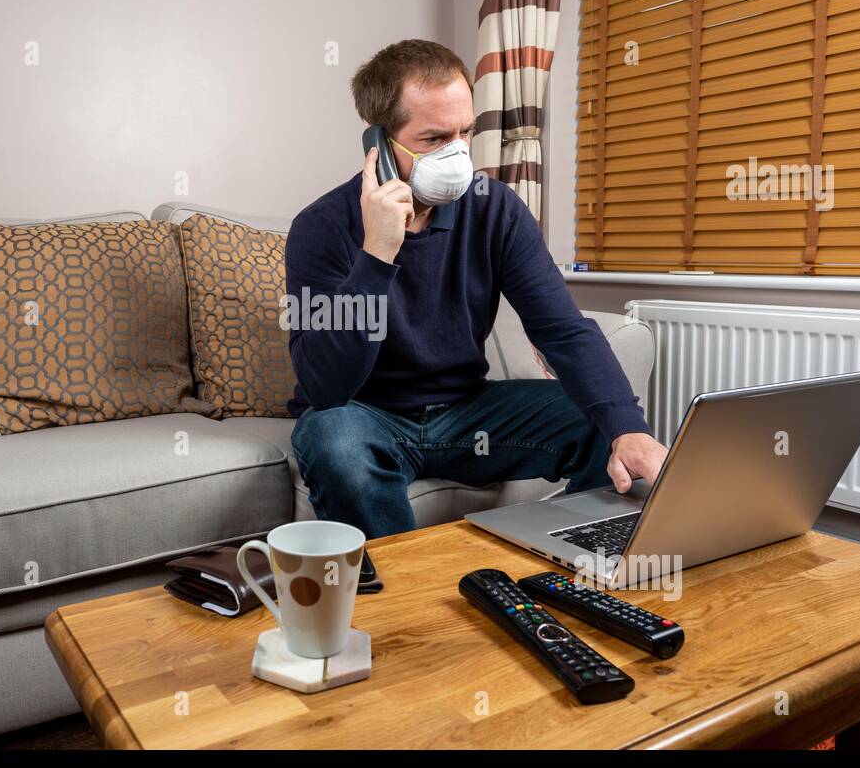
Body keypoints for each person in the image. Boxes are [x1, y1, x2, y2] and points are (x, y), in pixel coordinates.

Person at [285, 39, 668, 539]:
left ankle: (565, 570)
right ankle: (401, 600)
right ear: (378, 146)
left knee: (606, 417)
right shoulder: (320, 226)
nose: (458, 152)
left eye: (466, 132)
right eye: (434, 139)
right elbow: (325, 387)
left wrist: (628, 427)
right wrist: (377, 255)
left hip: (466, 411)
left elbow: (563, 329)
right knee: (331, 440)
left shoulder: (495, 209)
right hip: (364, 417)